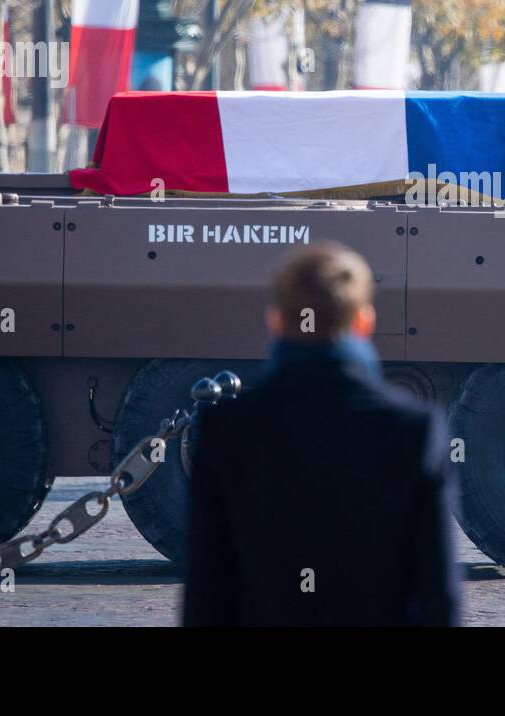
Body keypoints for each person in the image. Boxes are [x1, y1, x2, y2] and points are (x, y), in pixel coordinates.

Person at [183, 242, 461, 626]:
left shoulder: (227, 429)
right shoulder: (414, 429)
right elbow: (438, 597)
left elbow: (206, 594)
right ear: (365, 323)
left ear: (276, 321)